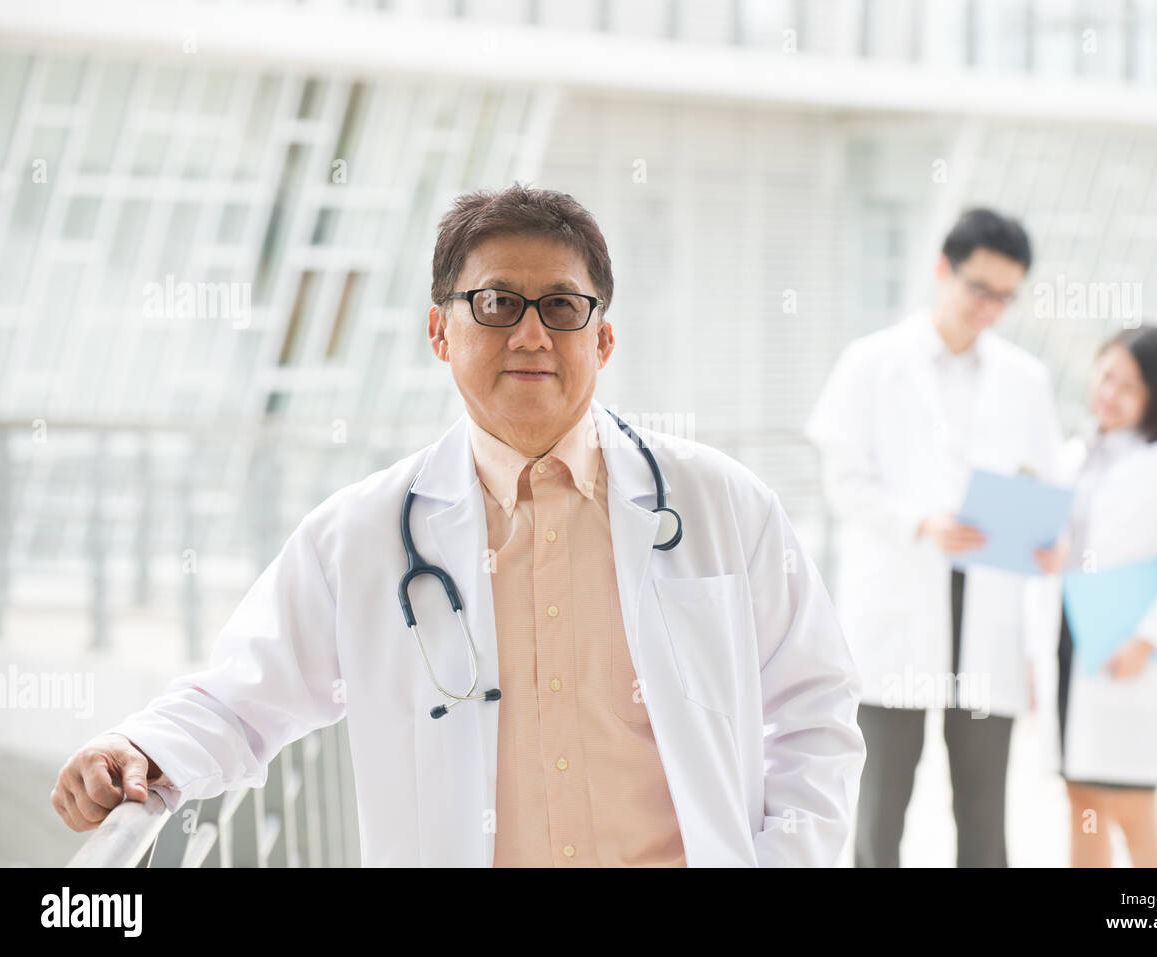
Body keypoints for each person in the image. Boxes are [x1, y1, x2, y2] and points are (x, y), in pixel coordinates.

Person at [51, 183, 865, 867]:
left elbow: (814, 706)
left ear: (605, 338)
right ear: (440, 331)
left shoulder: (723, 505)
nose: (533, 333)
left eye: (562, 307)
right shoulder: (364, 535)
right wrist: (142, 751)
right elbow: (243, 695)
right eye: (497, 302)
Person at [805, 208, 1062, 867]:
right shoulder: (871, 362)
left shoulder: (1024, 379)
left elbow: (1044, 484)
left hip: (988, 615)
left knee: (983, 821)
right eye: (980, 288)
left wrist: (1042, 540)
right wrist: (919, 522)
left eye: (1006, 296)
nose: (991, 308)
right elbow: (845, 483)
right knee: (880, 815)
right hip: (898, 606)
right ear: (942, 269)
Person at [1033, 325, 1157, 868]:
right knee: (1081, 800)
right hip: (1071, 649)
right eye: (1106, 374)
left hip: (1131, 655)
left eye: (1129, 386)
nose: (1109, 393)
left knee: (1133, 811)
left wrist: (1148, 639)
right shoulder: (1077, 455)